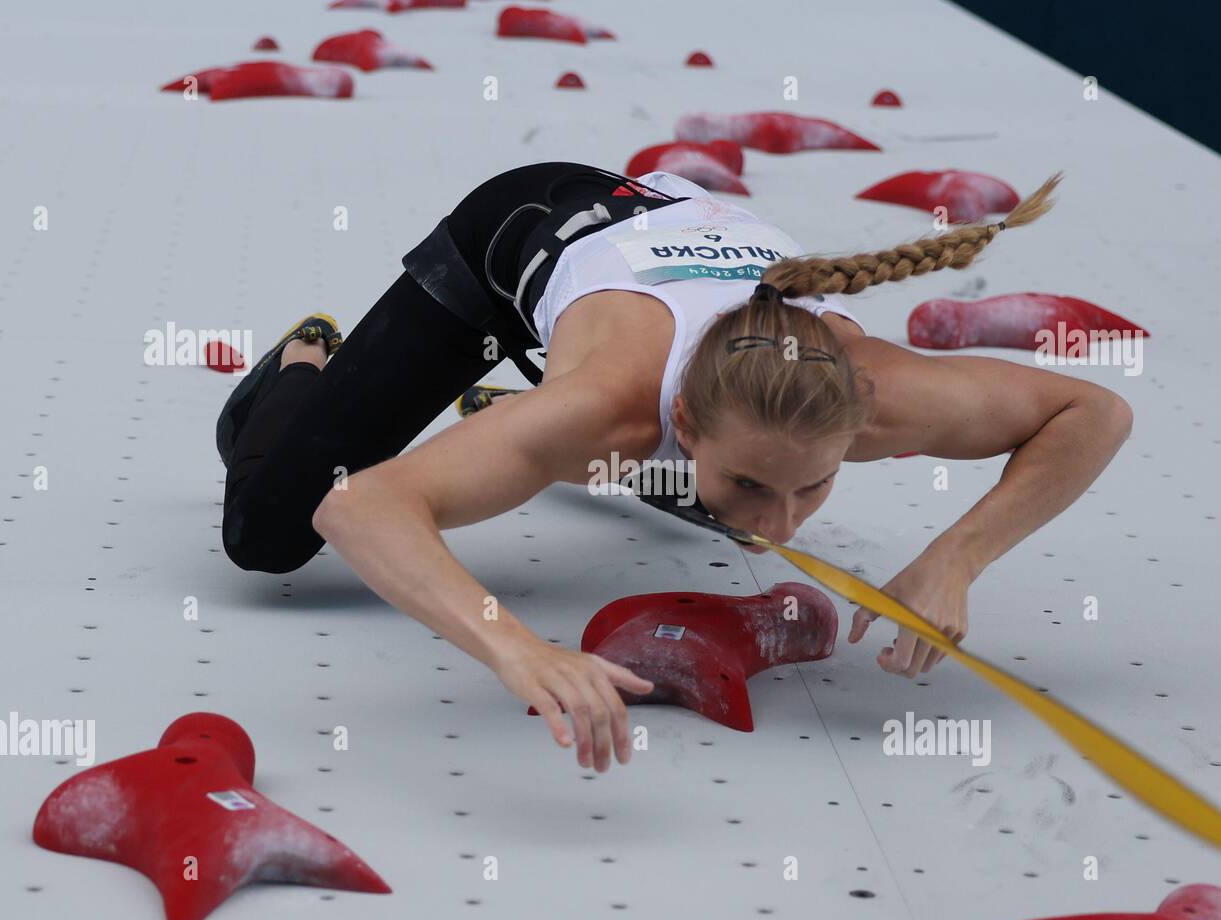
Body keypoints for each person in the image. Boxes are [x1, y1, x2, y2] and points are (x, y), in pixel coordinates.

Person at [215, 161, 1132, 774]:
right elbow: (360, 506)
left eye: (811, 484)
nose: (780, 529)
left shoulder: (880, 393)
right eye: (752, 486)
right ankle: (306, 365)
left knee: (691, 488)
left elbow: (1094, 410)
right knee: (269, 531)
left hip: (670, 245)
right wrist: (516, 645)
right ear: (684, 423)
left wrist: (957, 555)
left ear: (858, 425)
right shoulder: (608, 409)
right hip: (519, 233)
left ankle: (509, 431)